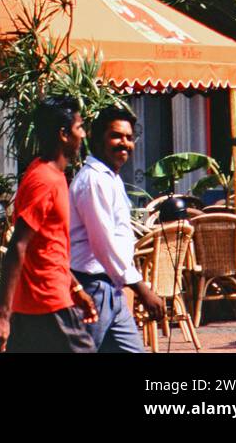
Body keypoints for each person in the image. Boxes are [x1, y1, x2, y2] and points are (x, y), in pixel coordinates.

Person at [0, 97, 98, 353]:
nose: (83, 135)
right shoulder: (45, 180)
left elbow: (45, 245)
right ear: (63, 134)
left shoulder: (43, 172)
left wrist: (76, 287)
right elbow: (18, 245)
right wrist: (2, 315)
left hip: (35, 304)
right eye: (79, 127)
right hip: (49, 302)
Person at [69, 105, 165, 352]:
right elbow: (104, 244)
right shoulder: (94, 180)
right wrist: (141, 288)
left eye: (129, 138)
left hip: (112, 287)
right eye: (116, 136)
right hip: (91, 286)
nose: (124, 144)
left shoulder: (111, 177)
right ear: (97, 140)